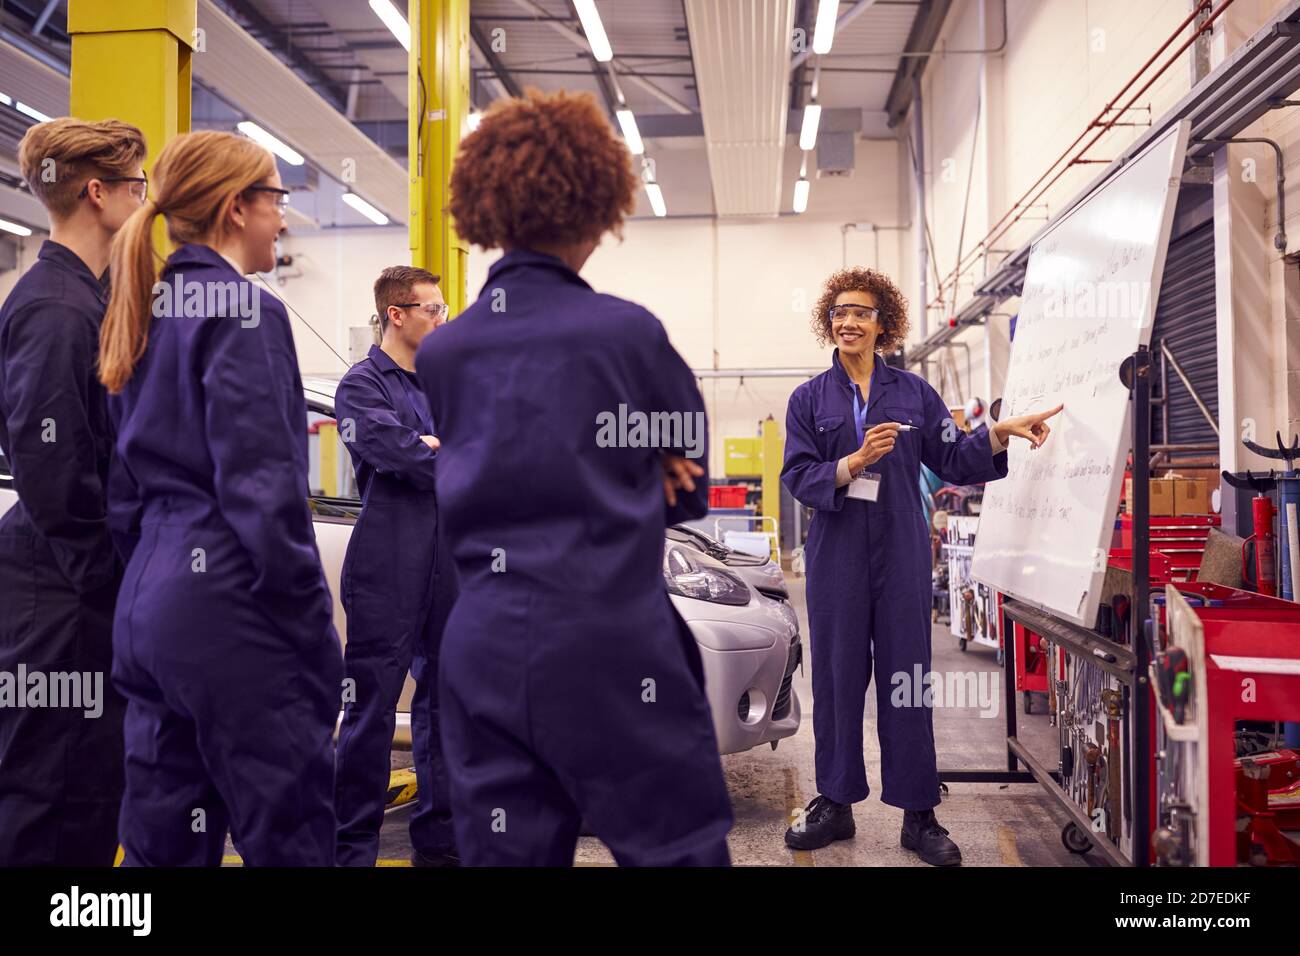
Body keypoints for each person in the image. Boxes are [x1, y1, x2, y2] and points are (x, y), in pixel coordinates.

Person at [415, 88, 733, 866]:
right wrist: (640, 470)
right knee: (676, 850)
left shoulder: (444, 352)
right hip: (611, 644)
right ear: (597, 207)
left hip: (481, 646)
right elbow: (688, 488)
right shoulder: (627, 334)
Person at [99, 130, 343, 866]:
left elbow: (121, 495)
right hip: (233, 609)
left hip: (150, 609)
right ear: (237, 208)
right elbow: (263, 488)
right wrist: (310, 631)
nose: (284, 219)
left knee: (158, 844)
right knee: (291, 834)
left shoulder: (138, 309)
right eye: (276, 200)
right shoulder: (245, 310)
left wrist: (158, 581)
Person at [781, 267, 1061, 865]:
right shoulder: (809, 398)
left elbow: (954, 458)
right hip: (836, 552)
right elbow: (798, 478)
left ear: (884, 324)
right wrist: (853, 461)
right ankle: (834, 802)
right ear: (828, 322)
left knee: (907, 680)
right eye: (839, 313)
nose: (848, 322)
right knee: (836, 677)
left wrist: (997, 435)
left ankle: (918, 812)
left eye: (861, 313)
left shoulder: (913, 394)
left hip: (902, 549)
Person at [0, 117, 147, 866]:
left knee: (89, 787)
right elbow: (52, 472)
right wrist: (111, 582)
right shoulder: (57, 309)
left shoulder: (86, 297)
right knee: (54, 792)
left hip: (72, 584)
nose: (146, 201)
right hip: (61, 596)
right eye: (138, 186)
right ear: (99, 193)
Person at [333, 265, 459, 867]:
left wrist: (439, 449)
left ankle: (440, 845)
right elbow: (401, 453)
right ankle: (352, 847)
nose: (442, 319)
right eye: (432, 310)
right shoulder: (361, 387)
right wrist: (433, 450)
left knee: (447, 705)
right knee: (372, 706)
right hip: (388, 562)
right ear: (397, 315)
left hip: (449, 563)